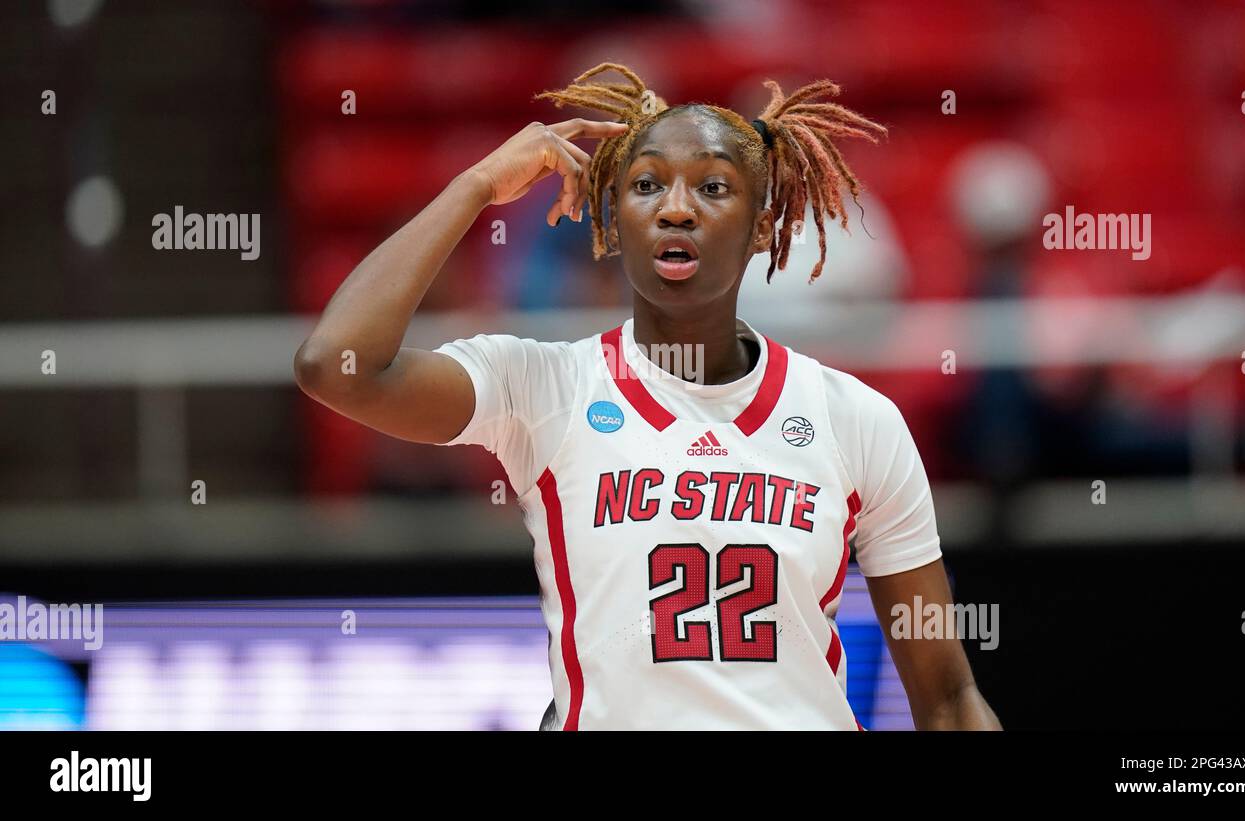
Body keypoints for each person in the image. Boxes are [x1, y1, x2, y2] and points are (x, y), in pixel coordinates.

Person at [294, 62, 1000, 730]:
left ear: (762, 226)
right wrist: (477, 183)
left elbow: (948, 695)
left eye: (714, 187)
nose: (676, 209)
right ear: (613, 220)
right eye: (647, 185)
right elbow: (337, 366)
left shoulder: (855, 420)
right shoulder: (546, 387)